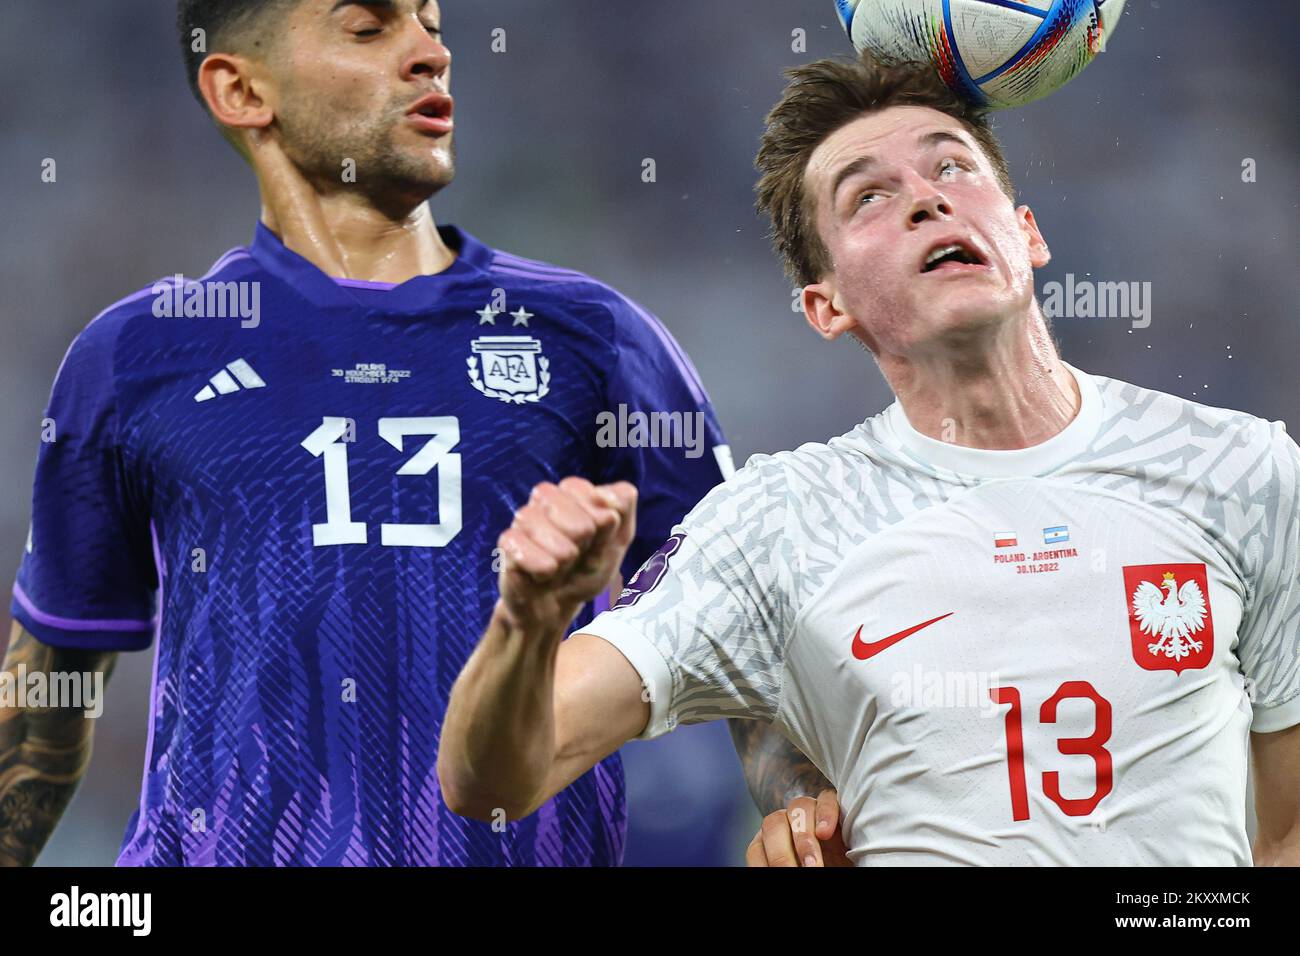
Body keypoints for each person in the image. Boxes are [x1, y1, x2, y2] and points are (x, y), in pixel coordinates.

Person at [1, 0, 821, 867]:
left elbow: (739, 616)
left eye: (432, 22)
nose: (431, 53)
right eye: (370, 27)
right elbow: (49, 693)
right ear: (240, 88)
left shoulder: (596, 339)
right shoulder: (136, 355)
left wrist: (803, 805)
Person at [437, 51, 1300, 866]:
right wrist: (529, 620)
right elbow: (492, 782)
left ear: (1027, 232)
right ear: (827, 305)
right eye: (869, 198)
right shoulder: (776, 522)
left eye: (953, 167)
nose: (928, 201)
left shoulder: (1243, 471)